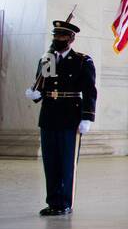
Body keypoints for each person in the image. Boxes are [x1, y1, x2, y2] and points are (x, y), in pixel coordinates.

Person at [25, 18, 96, 216]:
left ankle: (64, 202)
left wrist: (87, 117)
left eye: (63, 35)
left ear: (71, 38)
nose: (58, 39)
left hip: (70, 115)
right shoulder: (47, 59)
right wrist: (35, 93)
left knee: (66, 161)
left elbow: (90, 90)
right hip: (49, 115)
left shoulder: (82, 60)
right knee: (51, 161)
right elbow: (42, 84)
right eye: (56, 35)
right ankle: (53, 201)